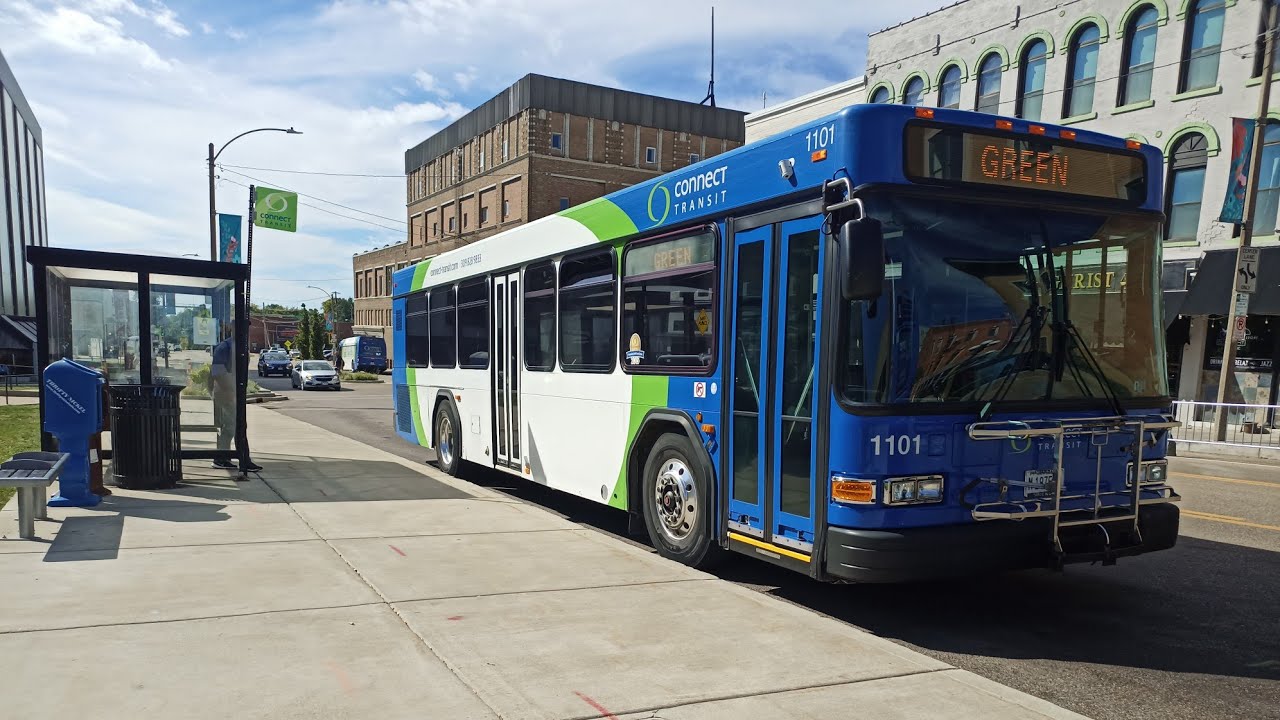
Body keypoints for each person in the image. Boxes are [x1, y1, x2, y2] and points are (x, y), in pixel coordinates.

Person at [210, 323, 262, 473]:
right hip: (226, 394)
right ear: (232, 329)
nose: (244, 330)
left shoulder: (240, 347)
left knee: (236, 426)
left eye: (246, 328)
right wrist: (231, 391)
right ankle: (224, 458)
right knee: (232, 426)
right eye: (241, 327)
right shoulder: (224, 347)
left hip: (236, 393)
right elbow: (218, 372)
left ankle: (235, 458)